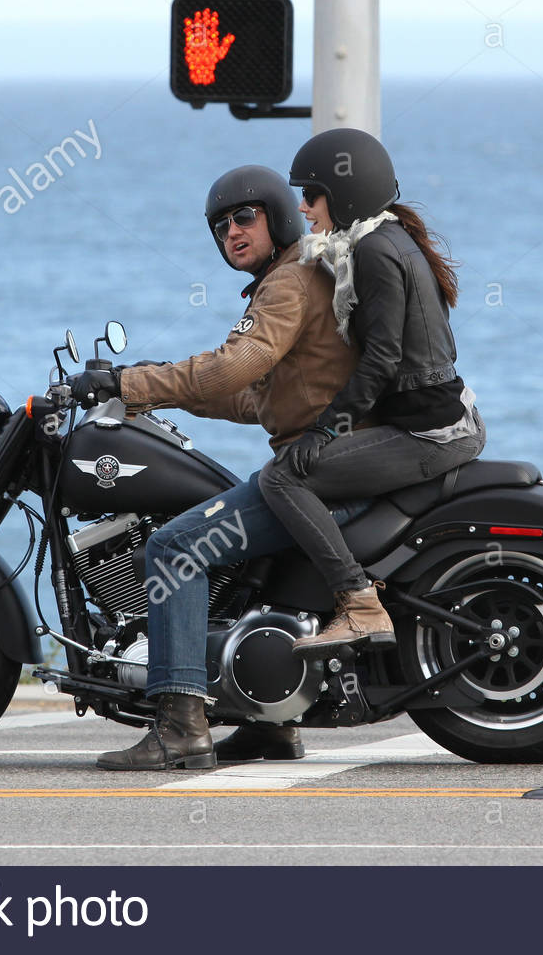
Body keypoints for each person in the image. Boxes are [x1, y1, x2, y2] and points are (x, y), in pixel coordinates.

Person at [69, 165, 366, 770]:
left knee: (174, 548)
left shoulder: (288, 283)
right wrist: (147, 391)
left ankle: (180, 726)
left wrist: (127, 381)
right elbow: (252, 396)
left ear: (279, 216)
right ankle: (270, 725)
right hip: (330, 464)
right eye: (219, 226)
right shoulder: (293, 280)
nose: (231, 231)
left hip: (321, 472)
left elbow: (232, 367)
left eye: (244, 217)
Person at [256, 127, 486, 657]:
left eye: (311, 195)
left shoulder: (375, 252)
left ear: (345, 194)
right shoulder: (385, 240)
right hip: (437, 417)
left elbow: (381, 359)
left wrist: (325, 427)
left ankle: (358, 603)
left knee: (284, 475)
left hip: (431, 432)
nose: (303, 207)